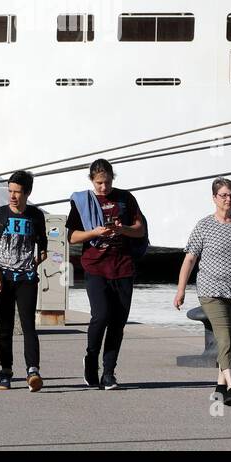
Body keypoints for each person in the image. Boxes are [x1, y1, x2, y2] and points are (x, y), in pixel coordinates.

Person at [173, 177, 231, 407]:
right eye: (223, 195)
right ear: (214, 198)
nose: (228, 199)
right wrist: (181, 290)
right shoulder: (204, 225)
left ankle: (220, 385)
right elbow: (190, 258)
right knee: (224, 337)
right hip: (212, 291)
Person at [66, 158, 147, 390]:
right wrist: (94, 232)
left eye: (108, 182)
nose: (104, 187)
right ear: (92, 180)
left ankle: (109, 372)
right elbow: (72, 236)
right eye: (100, 182)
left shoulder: (125, 198)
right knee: (100, 316)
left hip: (122, 266)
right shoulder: (82, 202)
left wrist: (123, 229)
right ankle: (91, 358)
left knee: (117, 322)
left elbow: (140, 228)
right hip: (95, 266)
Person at [0, 170, 47, 391]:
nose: (12, 196)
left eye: (17, 192)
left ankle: (33, 371)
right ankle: (5, 371)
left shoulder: (36, 216)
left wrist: (40, 256)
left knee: (28, 326)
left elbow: (42, 243)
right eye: (10, 191)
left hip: (26, 278)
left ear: (27, 193)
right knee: (3, 327)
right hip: (3, 278)